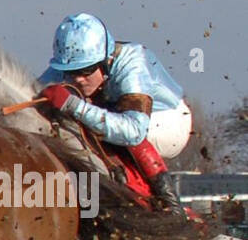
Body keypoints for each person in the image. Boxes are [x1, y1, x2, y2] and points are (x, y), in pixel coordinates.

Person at [37, 13, 192, 213]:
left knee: (106, 126)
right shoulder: (72, 64)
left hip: (168, 121)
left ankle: (172, 207)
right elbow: (33, 92)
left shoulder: (133, 62)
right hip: (119, 114)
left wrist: (73, 105)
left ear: (105, 60)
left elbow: (134, 131)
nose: (78, 80)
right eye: (70, 72)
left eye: (86, 71)